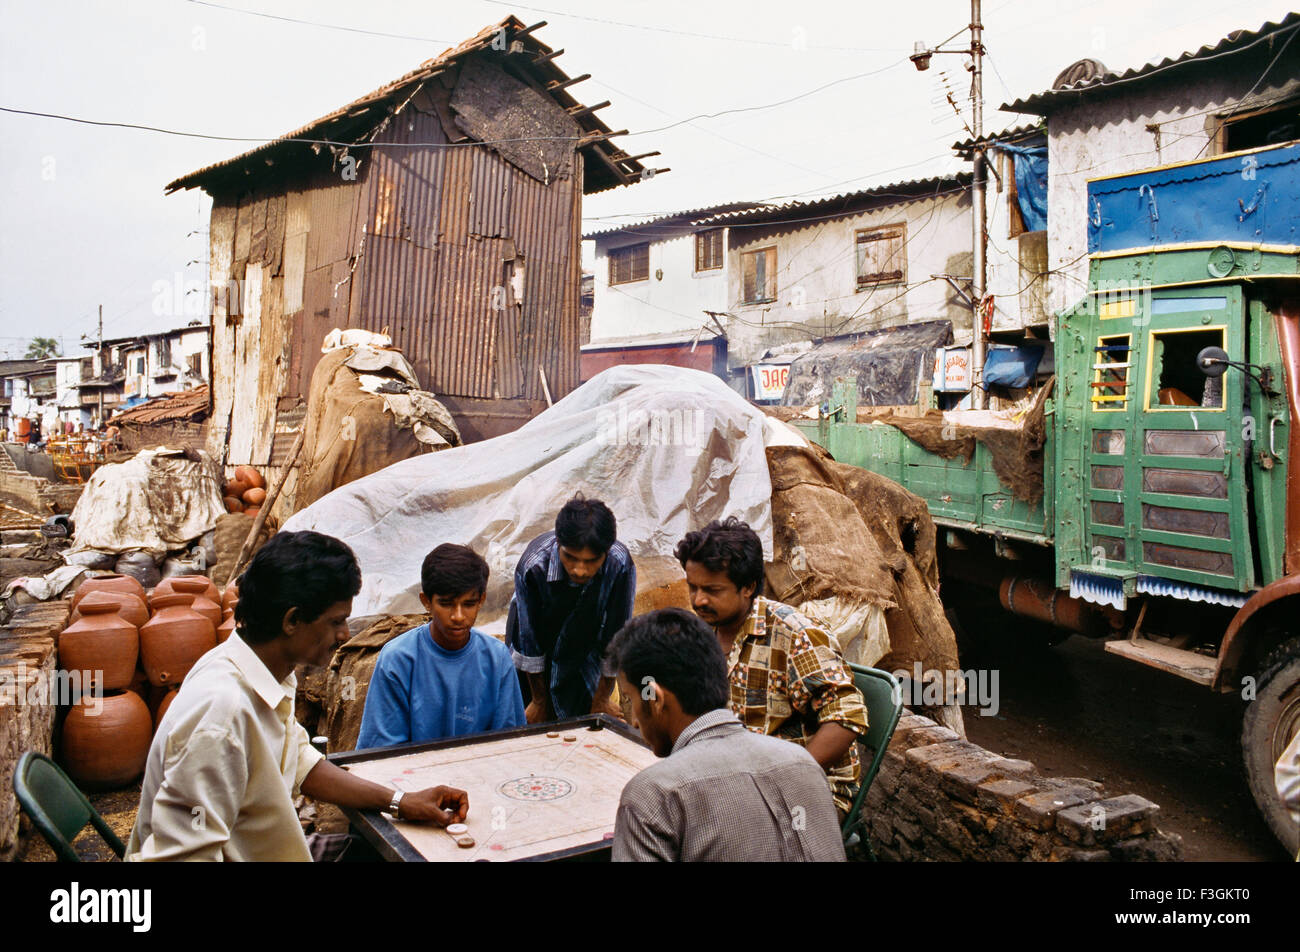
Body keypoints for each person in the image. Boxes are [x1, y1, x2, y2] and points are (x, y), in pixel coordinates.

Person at [126, 531, 469, 862]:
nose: (344, 635)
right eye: (336, 621)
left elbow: (301, 763)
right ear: (292, 620)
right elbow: (184, 856)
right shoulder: (221, 715)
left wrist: (400, 801)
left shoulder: (261, 670)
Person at [608, 608, 846, 861]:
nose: (633, 720)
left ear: (654, 698)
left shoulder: (653, 794)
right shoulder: (804, 763)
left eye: (631, 699)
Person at [675, 516, 869, 813]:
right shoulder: (703, 633)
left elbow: (847, 717)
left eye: (712, 590)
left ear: (748, 587)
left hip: (808, 790)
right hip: (735, 779)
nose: (698, 600)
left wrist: (784, 779)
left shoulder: (795, 634)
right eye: (693, 587)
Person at [357, 543, 524, 748]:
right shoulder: (397, 660)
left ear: (481, 600)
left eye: (468, 604)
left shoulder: (497, 658)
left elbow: (508, 743)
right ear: (426, 601)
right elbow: (382, 752)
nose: (458, 616)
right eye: (446, 604)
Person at [507, 494, 635, 722]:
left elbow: (616, 636)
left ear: (606, 551)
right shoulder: (533, 566)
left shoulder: (619, 563)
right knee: (530, 718)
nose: (580, 570)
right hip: (536, 639)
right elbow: (530, 643)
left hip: (585, 640)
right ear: (558, 543)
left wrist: (602, 698)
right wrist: (538, 701)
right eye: (571, 558)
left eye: (592, 561)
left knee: (583, 714)